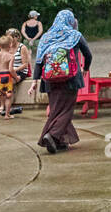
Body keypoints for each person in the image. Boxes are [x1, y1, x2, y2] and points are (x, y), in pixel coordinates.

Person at [29, 10, 93, 154]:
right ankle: (51, 135)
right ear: (70, 21)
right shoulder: (75, 35)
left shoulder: (46, 37)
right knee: (67, 110)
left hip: (50, 80)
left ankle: (60, 141)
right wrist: (86, 68)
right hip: (71, 78)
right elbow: (88, 54)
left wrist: (35, 81)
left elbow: (39, 61)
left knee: (56, 109)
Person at [5, 28, 33, 115]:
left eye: (11, 38)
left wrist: (13, 70)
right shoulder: (7, 47)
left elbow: (25, 64)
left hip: (20, 71)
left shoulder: (22, 47)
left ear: (16, 37)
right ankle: (1, 106)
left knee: (7, 83)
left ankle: (7, 108)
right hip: (10, 71)